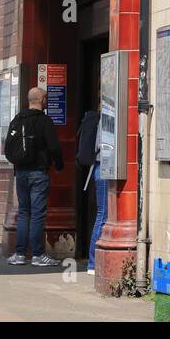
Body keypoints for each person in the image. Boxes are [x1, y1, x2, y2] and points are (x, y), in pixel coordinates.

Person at [4, 87, 63, 266]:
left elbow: (8, 146)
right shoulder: (44, 121)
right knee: (37, 215)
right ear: (42, 99)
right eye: (45, 99)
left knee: (24, 213)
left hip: (20, 173)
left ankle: (20, 254)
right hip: (38, 173)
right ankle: (38, 255)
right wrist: (59, 165)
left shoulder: (17, 119)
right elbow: (54, 147)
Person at [76, 107, 105, 276]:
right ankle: (93, 263)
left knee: (102, 214)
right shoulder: (105, 120)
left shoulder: (98, 119)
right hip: (104, 167)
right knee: (103, 214)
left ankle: (93, 262)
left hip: (99, 168)